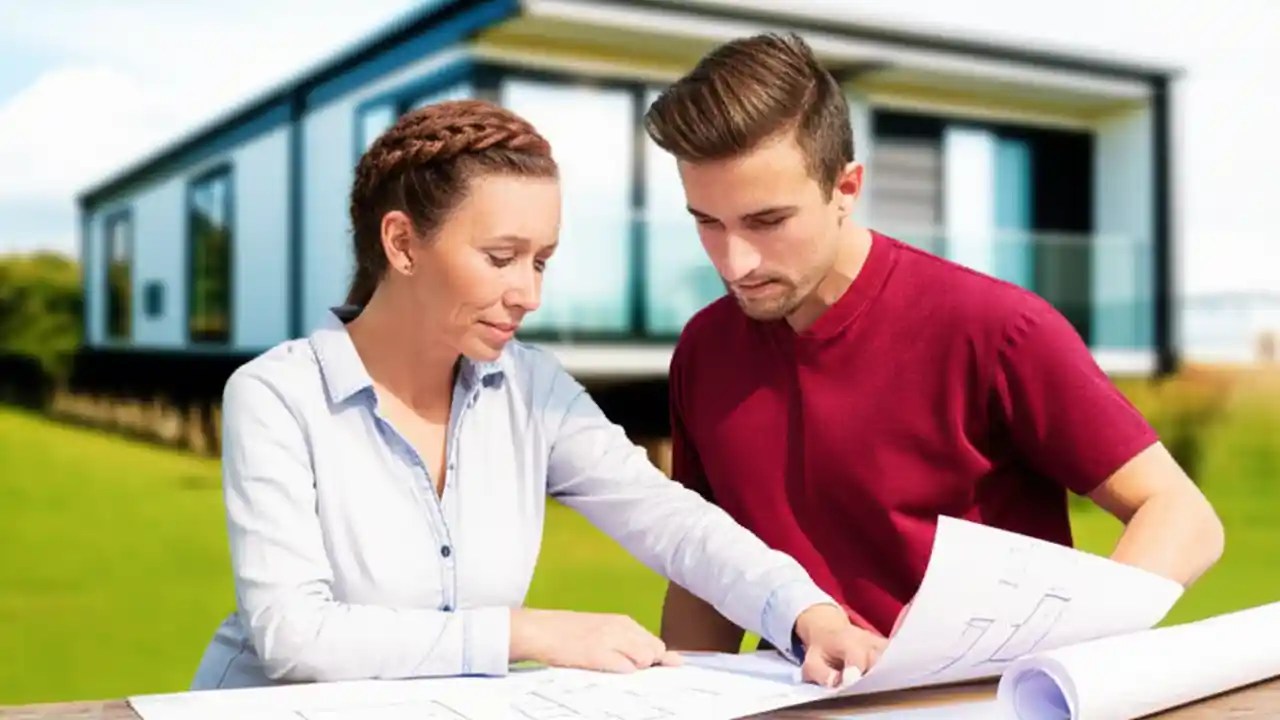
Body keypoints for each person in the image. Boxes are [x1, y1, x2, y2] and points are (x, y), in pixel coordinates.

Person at [190, 98, 882, 691]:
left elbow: (670, 519)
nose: (529, 294)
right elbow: (292, 635)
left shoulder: (531, 388)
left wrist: (804, 613)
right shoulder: (277, 396)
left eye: (542, 260)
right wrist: (526, 633)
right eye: (501, 258)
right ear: (402, 244)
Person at [642, 33, 1226, 652]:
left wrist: (1072, 655)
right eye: (707, 221)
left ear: (845, 188)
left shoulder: (997, 329)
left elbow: (1180, 516)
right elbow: (709, 570)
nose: (735, 261)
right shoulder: (705, 351)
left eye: (768, 221)